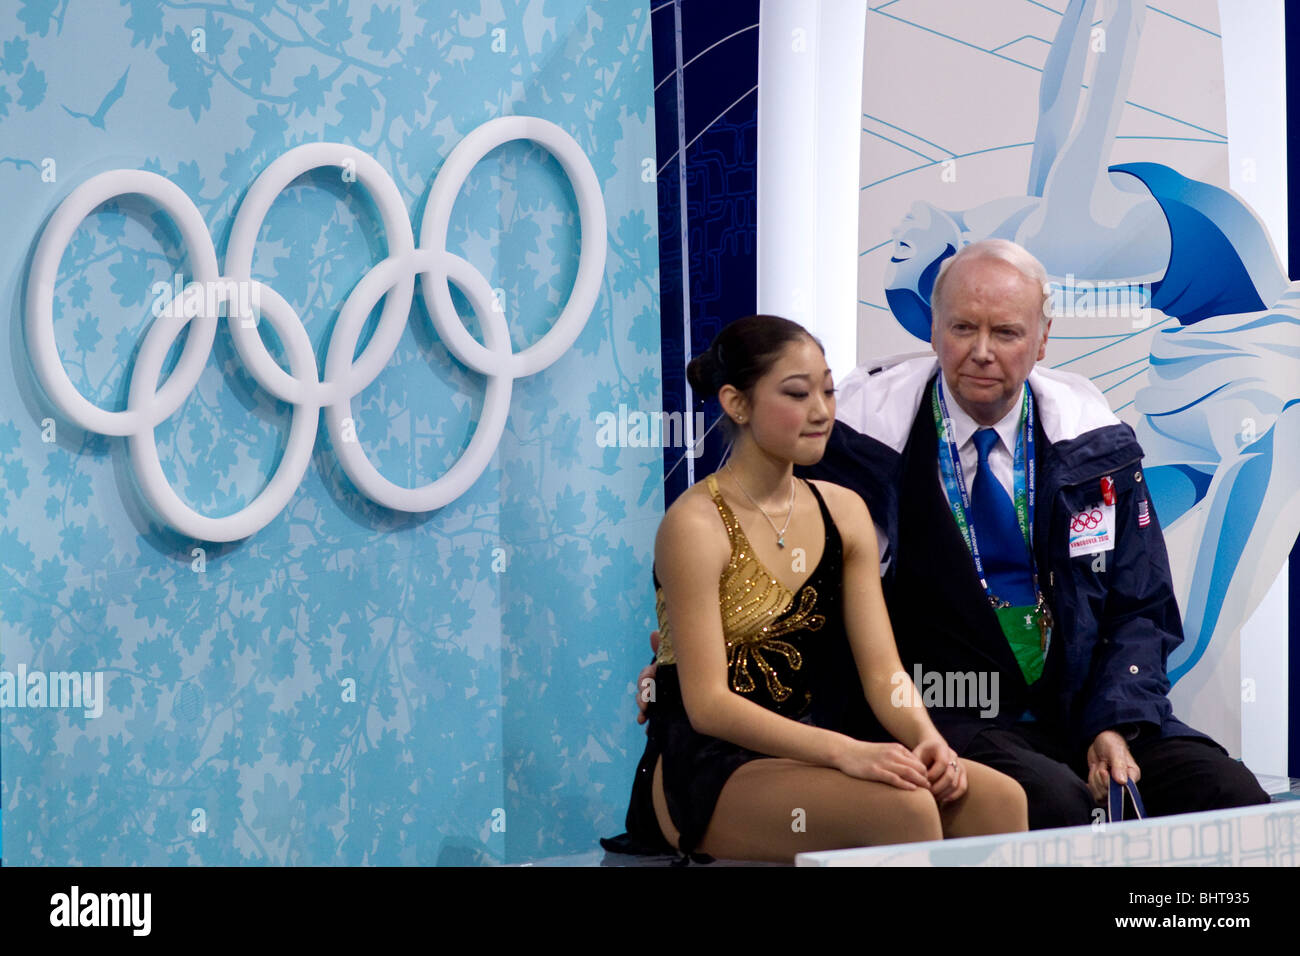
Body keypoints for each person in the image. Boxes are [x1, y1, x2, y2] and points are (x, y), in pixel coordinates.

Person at [800, 239, 1270, 828]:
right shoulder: (856, 444)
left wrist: (1112, 724)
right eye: (962, 328)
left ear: (1042, 339)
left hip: (1080, 707)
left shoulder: (1096, 447)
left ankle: (1172, 925)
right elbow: (783, 564)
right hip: (947, 711)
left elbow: (1140, 608)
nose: (980, 352)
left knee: (1229, 796)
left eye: (1006, 333)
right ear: (932, 330)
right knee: (1053, 805)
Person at [601, 315, 1028, 865]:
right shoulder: (695, 525)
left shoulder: (844, 510)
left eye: (828, 390)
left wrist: (927, 740)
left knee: (998, 801)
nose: (823, 411)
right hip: (709, 763)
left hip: (820, 744)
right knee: (906, 810)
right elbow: (707, 706)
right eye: (798, 394)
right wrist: (848, 753)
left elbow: (884, 674)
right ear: (736, 403)